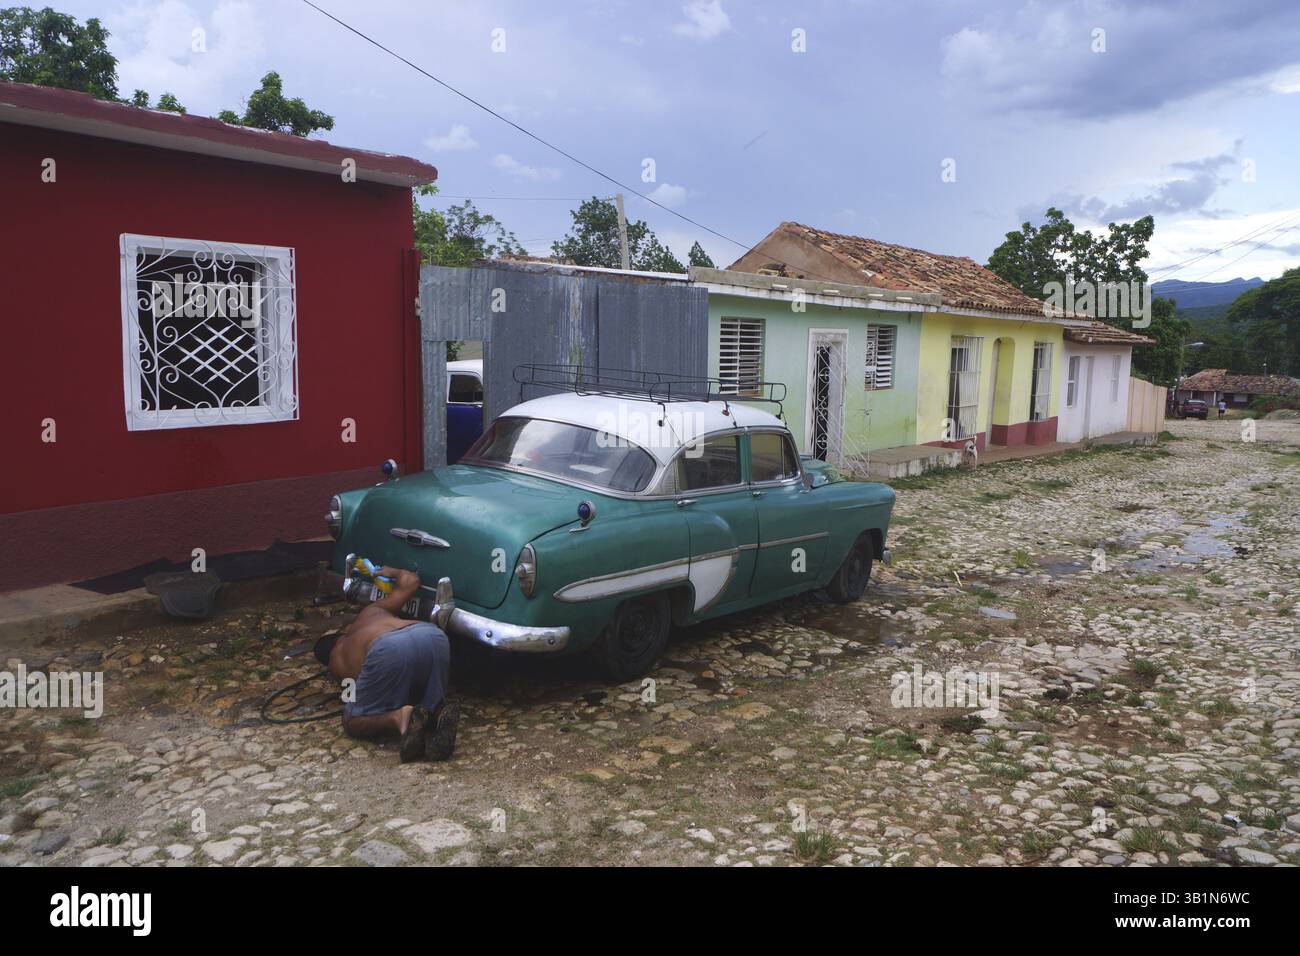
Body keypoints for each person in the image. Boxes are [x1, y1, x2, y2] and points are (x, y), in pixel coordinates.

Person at [327, 566, 459, 762]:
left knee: (352, 720)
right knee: (426, 700)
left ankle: (400, 717)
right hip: (431, 634)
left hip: (388, 648)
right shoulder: (371, 612)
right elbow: (411, 581)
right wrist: (388, 571)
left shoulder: (337, 657)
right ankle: (436, 716)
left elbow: (356, 690)